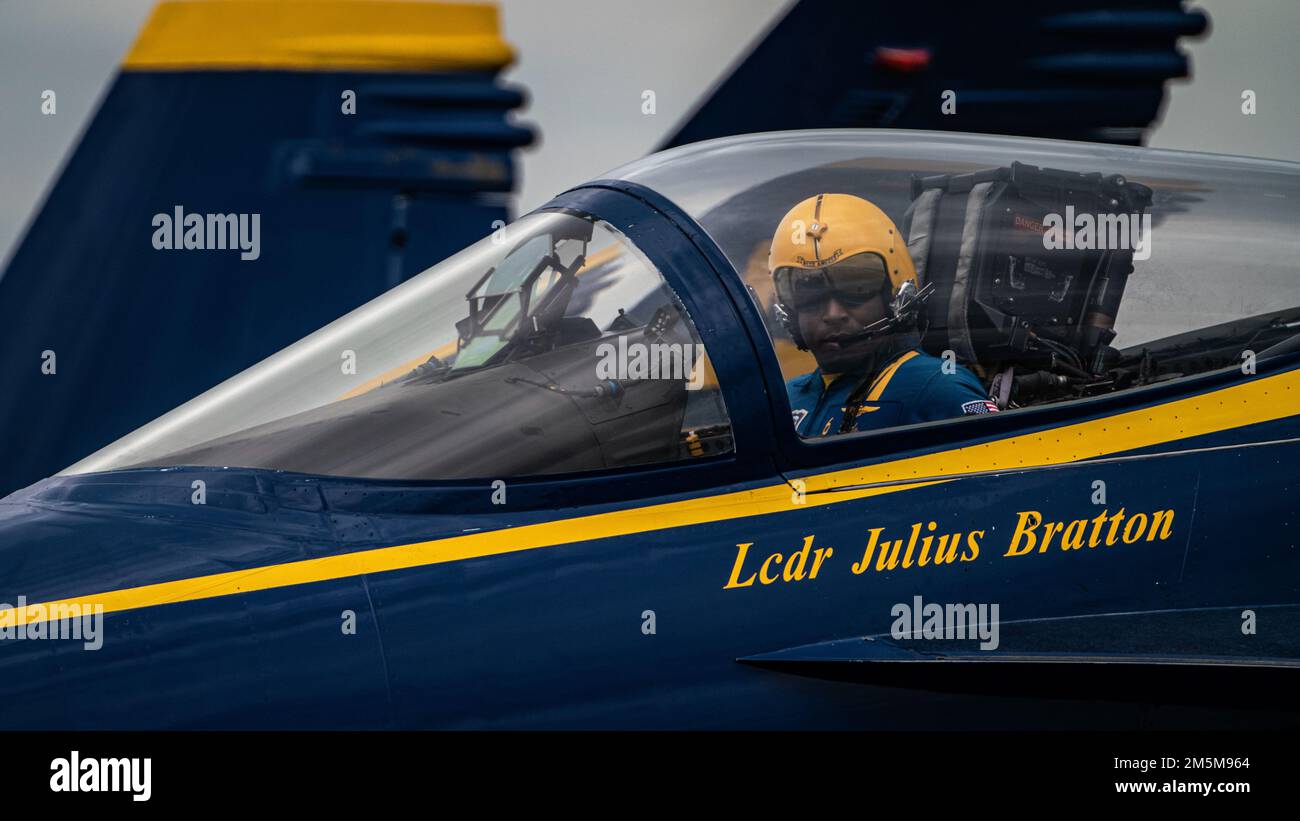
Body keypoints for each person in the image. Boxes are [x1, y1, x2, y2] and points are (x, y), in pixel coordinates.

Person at [768, 193, 996, 437]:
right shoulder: (784, 400)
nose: (833, 314)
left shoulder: (939, 389)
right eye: (810, 296)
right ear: (789, 311)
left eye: (856, 288)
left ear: (893, 297)